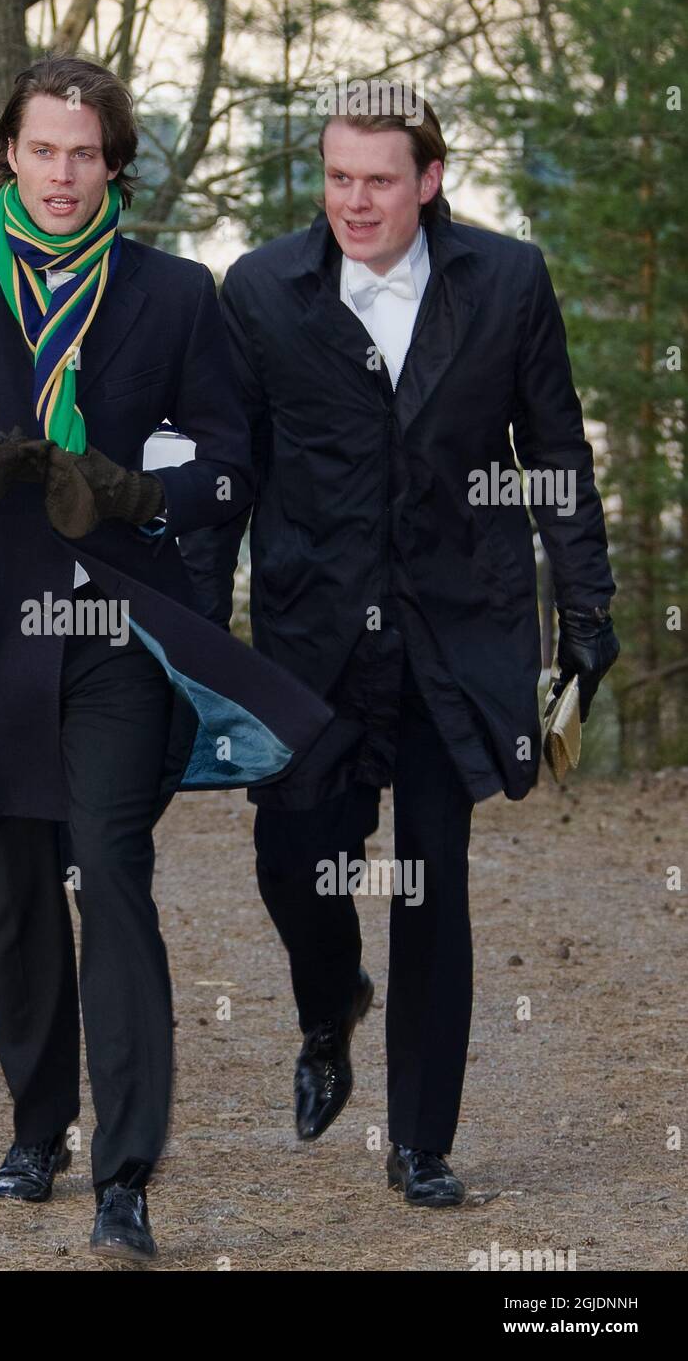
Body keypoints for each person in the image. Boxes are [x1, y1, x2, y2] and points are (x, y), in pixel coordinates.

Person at [0, 55, 347, 1260]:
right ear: (7, 153)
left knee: (110, 873)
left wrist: (139, 494)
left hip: (121, 631)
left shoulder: (176, 293)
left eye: (87, 153)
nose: (64, 175)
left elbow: (231, 467)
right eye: (43, 149)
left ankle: (127, 1169)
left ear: (116, 161)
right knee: (16, 891)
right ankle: (35, 1127)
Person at [180, 90, 619, 1205]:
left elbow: (555, 455)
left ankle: (421, 1142)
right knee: (293, 857)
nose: (354, 201)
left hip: (454, 631)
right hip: (311, 635)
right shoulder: (262, 292)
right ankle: (330, 1006)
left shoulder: (509, 281)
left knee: (434, 879)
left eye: (379, 180)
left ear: (428, 179)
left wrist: (588, 615)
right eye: (337, 178)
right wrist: (188, 631)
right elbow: (234, 467)